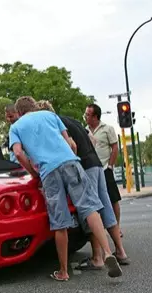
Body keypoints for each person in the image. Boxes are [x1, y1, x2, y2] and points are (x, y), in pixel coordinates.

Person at [9, 96, 122, 281]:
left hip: (48, 171)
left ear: (19, 112)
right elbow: (71, 143)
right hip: (70, 163)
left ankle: (63, 271)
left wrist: (33, 173)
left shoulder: (16, 127)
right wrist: (71, 159)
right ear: (33, 107)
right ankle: (108, 252)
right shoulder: (49, 115)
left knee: (59, 220)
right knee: (89, 207)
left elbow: (18, 153)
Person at [35, 100, 130, 270]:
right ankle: (120, 251)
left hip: (84, 166)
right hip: (96, 164)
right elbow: (92, 140)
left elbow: (71, 145)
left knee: (89, 209)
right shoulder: (73, 121)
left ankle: (97, 257)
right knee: (105, 207)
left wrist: (72, 164)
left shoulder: (55, 124)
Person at [85, 104, 123, 236]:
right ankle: (101, 228)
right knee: (97, 201)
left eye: (88, 115)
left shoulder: (107, 129)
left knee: (112, 199)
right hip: (92, 170)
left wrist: (110, 166)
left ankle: (117, 227)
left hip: (105, 168)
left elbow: (115, 147)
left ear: (95, 116)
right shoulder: (85, 131)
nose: (85, 117)